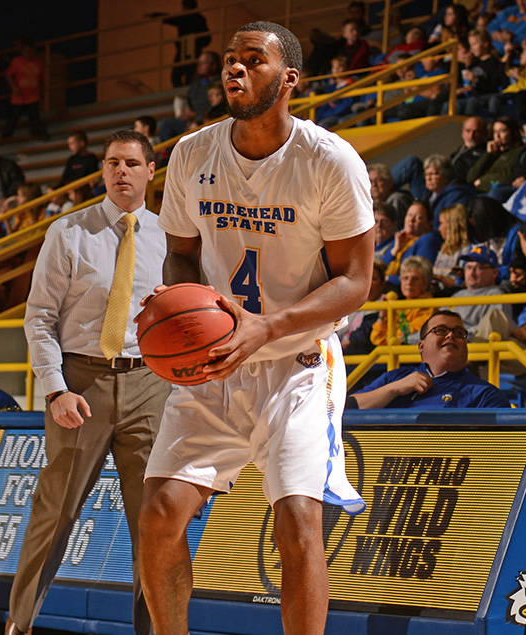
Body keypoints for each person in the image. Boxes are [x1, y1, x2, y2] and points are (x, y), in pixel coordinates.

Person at [139, 21, 374, 635]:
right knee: (159, 514)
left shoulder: (329, 159)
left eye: (252, 59)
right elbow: (181, 254)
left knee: (297, 522)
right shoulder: (192, 153)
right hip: (214, 363)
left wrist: (266, 328)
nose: (234, 69)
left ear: (289, 78)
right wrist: (176, 301)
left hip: (297, 365)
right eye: (229, 60)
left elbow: (355, 282)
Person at [5, 130, 169, 635]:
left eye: (132, 163)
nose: (121, 171)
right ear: (102, 170)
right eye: (113, 162)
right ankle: (19, 625)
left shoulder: (172, 236)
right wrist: (55, 389)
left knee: (154, 522)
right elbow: (39, 317)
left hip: (150, 382)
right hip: (81, 382)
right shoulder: (68, 231)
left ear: (150, 171)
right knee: (55, 511)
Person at [350, 309, 513, 408]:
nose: (450, 335)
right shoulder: (394, 378)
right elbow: (349, 408)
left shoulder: (485, 394)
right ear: (421, 346)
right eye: (440, 330)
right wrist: (394, 389)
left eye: (458, 333)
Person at [371, 256, 436, 346]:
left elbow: (403, 336)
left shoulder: (429, 308)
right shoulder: (398, 306)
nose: (409, 282)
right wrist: (382, 316)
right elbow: (376, 338)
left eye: (415, 279)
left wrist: (389, 336)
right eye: (405, 278)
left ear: (425, 283)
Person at [2, 40, 47, 139]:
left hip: (33, 95)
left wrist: (42, 92)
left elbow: (41, 78)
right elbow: (8, 74)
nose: (28, 54)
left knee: (34, 117)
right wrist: (14, 87)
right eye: (26, 51)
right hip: (19, 96)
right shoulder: (17, 61)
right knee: (13, 117)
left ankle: (36, 133)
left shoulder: (38, 62)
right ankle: (6, 136)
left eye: (30, 51)